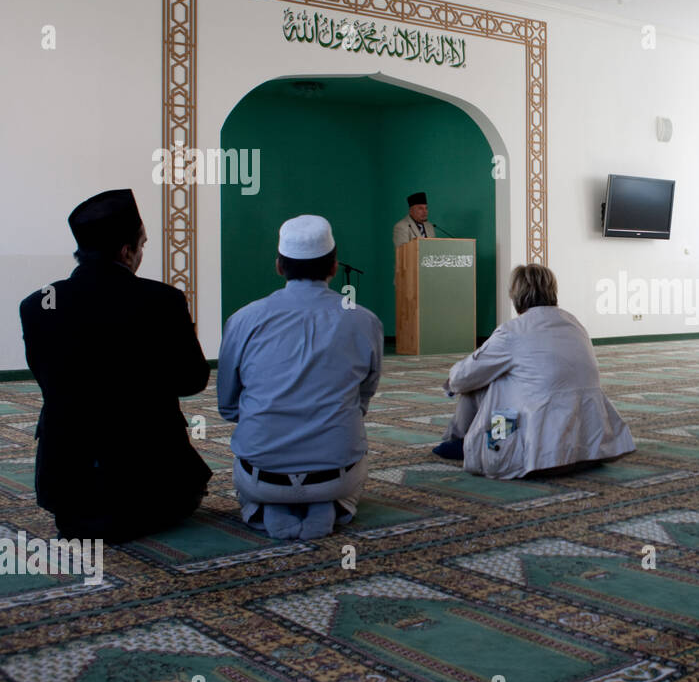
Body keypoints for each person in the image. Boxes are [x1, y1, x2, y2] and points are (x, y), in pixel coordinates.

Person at [19, 189, 211, 542]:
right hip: (156, 492)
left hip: (68, 494)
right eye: (142, 245)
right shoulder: (163, 301)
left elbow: (47, 379)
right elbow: (192, 380)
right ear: (127, 251)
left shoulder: (36, 306)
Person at [219, 215, 383, 539]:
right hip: (337, 475)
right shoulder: (365, 320)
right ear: (334, 267)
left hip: (261, 475)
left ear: (279, 266)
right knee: (350, 439)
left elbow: (227, 406)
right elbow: (365, 394)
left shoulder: (243, 319)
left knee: (256, 472)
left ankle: (265, 506)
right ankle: (334, 504)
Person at [432, 264, 634, 479]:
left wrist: (451, 384)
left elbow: (464, 377)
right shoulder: (574, 324)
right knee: (510, 375)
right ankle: (464, 441)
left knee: (488, 379)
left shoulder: (512, 331)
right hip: (591, 448)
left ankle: (463, 442)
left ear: (516, 294)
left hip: (541, 456)